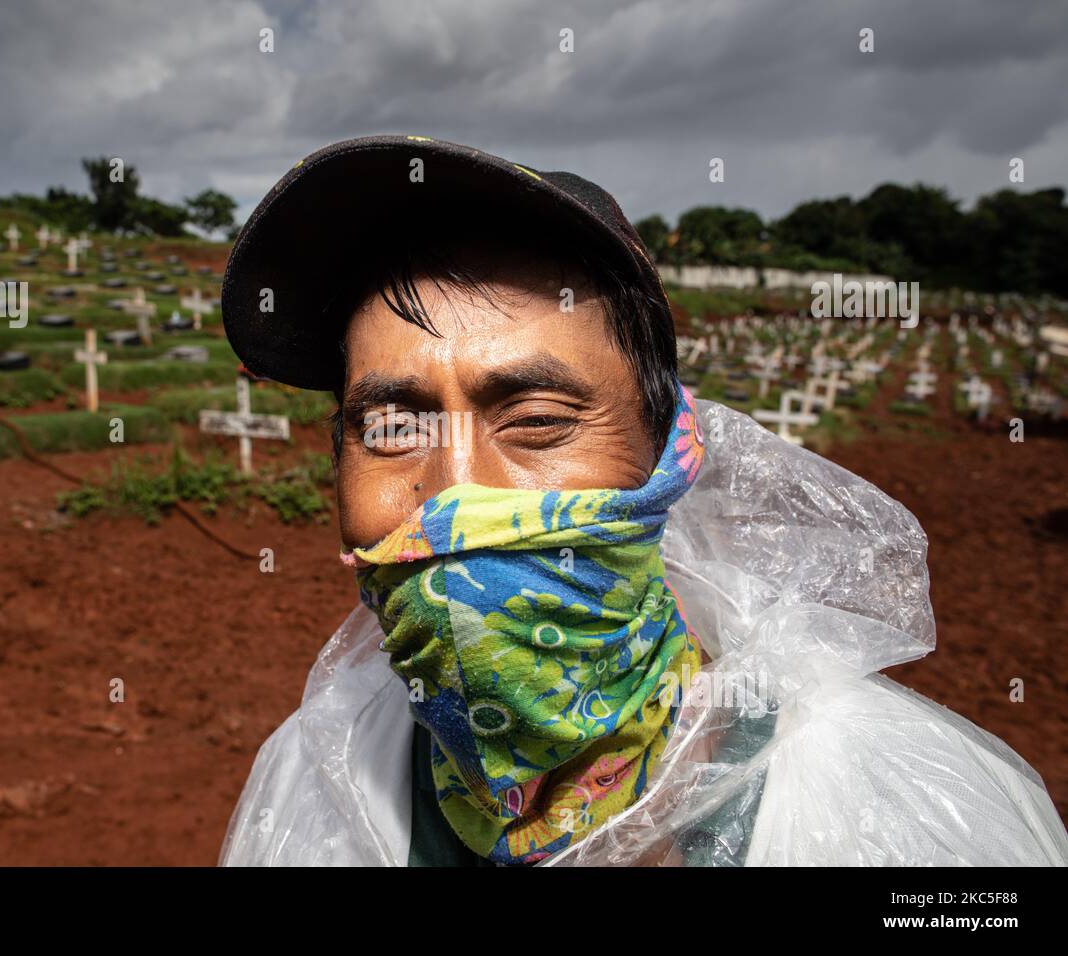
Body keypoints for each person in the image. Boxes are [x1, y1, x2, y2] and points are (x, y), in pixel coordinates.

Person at [217, 135, 1067, 866]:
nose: (454, 495)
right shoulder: (313, 782)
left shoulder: (909, 812)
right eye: (393, 428)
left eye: (539, 420)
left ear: (670, 459)